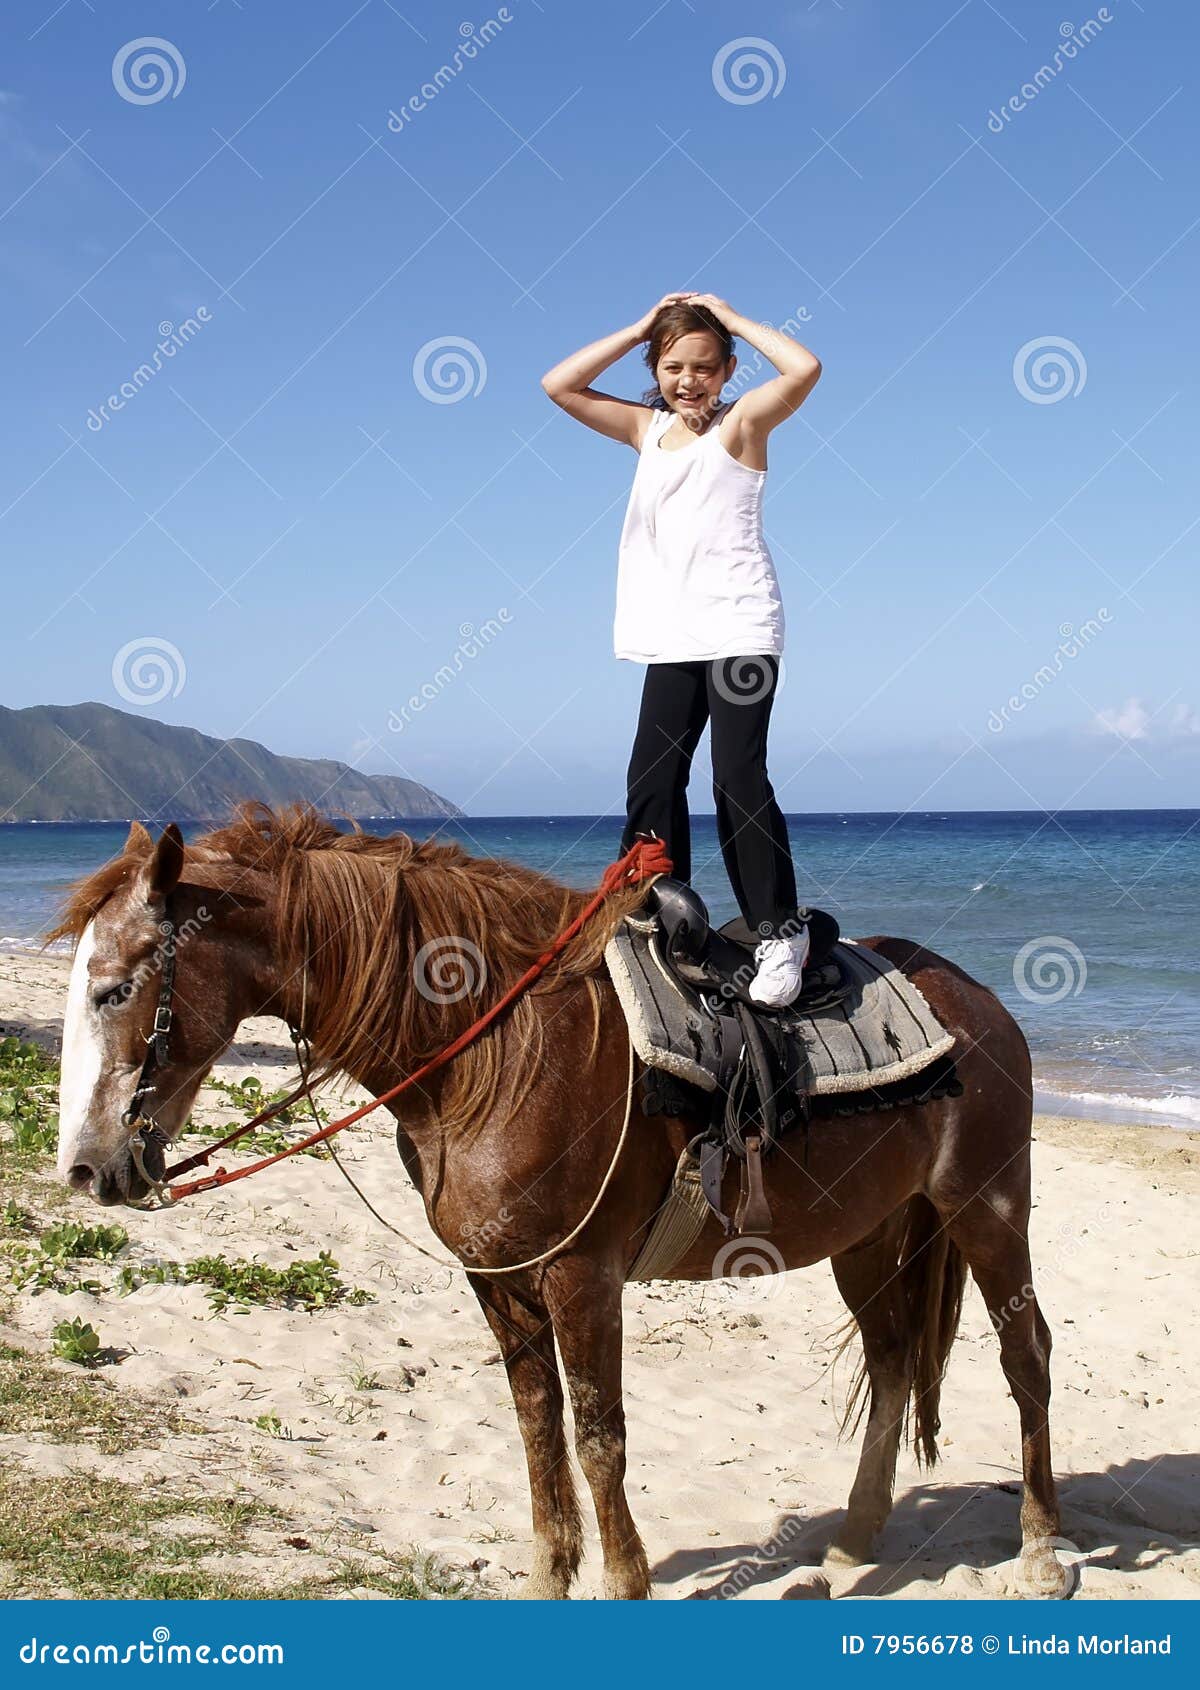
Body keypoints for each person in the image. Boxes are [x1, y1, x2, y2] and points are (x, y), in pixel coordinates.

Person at [541, 292, 821, 1008]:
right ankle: (659, 909)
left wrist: (732, 316)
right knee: (653, 779)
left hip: (742, 629)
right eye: (672, 366)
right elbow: (559, 384)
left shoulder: (744, 425)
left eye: (704, 365)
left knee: (736, 776)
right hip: (671, 635)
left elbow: (805, 366)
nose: (688, 379)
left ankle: (781, 934)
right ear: (656, 368)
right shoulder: (645, 430)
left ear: (729, 368)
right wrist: (638, 325)